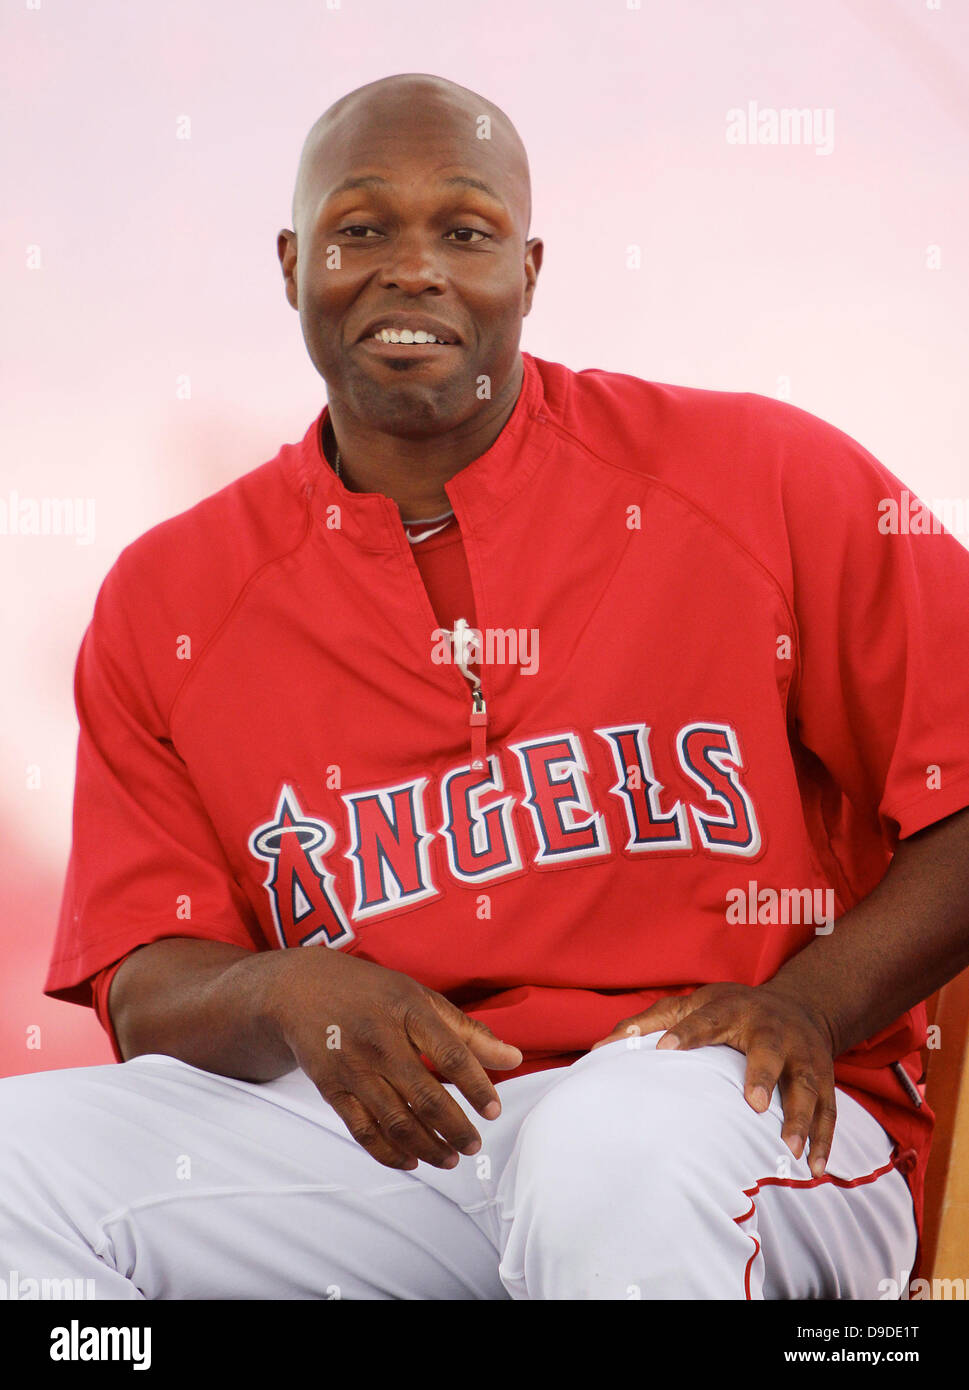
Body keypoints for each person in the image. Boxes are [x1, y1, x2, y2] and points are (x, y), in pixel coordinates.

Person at [4, 71, 969, 1301]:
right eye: (362, 229)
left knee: (609, 1148)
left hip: (730, 1115)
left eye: (465, 230)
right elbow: (146, 987)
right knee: (16, 1170)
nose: (412, 269)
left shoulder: (753, 477)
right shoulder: (172, 594)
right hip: (404, 1148)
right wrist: (285, 984)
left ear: (531, 267)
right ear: (293, 261)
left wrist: (819, 1002)